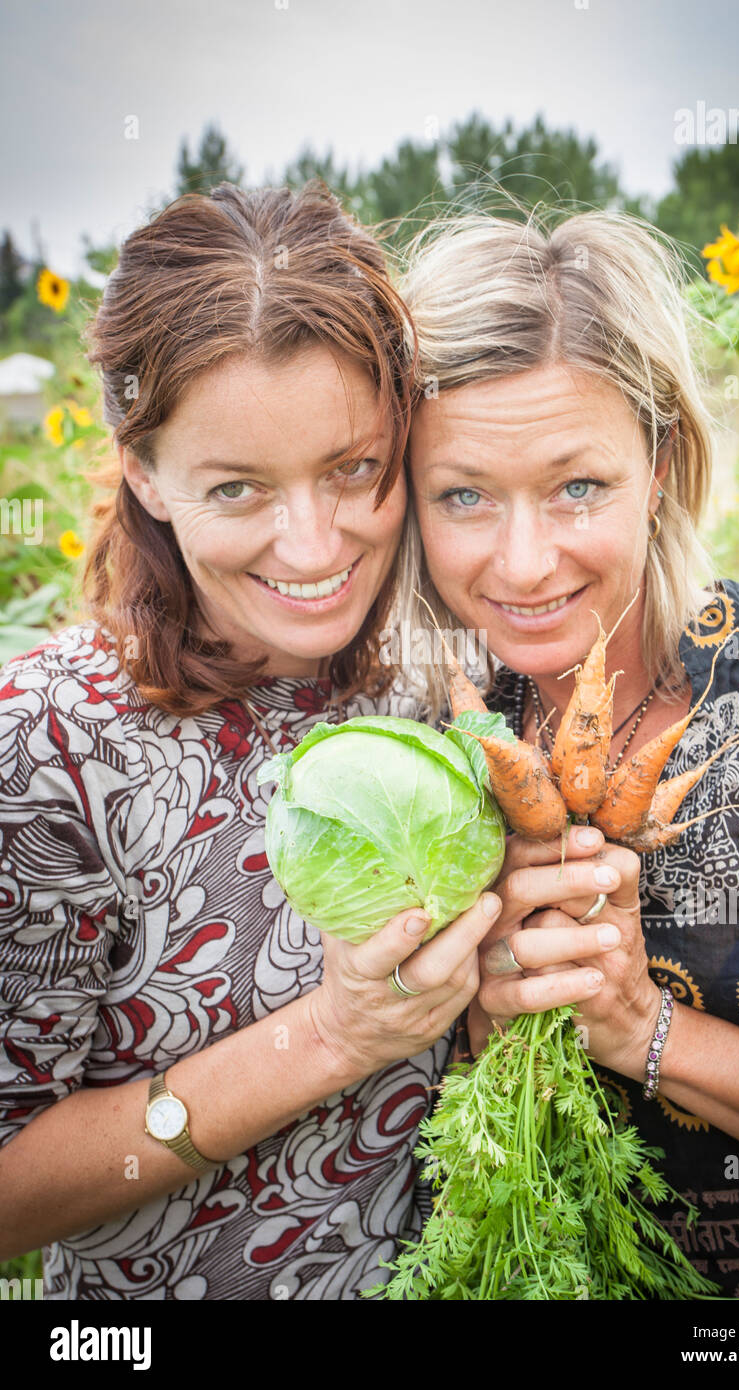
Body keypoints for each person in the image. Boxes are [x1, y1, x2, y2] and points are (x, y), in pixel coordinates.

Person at [0, 183, 501, 1300]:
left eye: (353, 468)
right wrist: (328, 1038)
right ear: (143, 472)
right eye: (237, 488)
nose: (316, 544)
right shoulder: (50, 749)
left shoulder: (453, 674)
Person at [398, 208, 739, 1299]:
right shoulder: (407, 738)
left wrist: (637, 1027)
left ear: (658, 463)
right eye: (462, 494)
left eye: (577, 486)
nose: (522, 562)